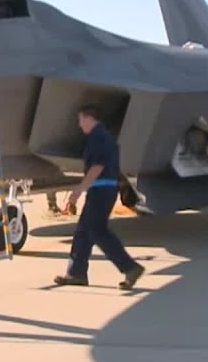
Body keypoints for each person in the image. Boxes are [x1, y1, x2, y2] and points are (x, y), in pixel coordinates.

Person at [54, 105, 145, 291]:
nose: (80, 125)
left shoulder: (97, 137)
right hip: (103, 189)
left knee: (98, 231)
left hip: (101, 190)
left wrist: (79, 190)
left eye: (81, 120)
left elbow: (97, 166)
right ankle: (76, 272)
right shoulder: (105, 137)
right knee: (83, 231)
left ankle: (130, 267)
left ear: (89, 119)